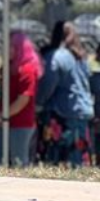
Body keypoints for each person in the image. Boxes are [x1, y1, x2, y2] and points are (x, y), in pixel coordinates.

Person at [37, 22, 93, 166]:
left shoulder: (56, 56)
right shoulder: (82, 57)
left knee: (57, 160)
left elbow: (48, 85)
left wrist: (38, 103)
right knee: (78, 160)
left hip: (62, 114)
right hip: (82, 112)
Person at [0, 31, 42, 167]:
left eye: (12, 46)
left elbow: (23, 99)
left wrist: (3, 115)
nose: (7, 50)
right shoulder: (8, 68)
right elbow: (0, 92)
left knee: (19, 163)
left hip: (21, 124)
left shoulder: (28, 69)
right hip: (4, 122)